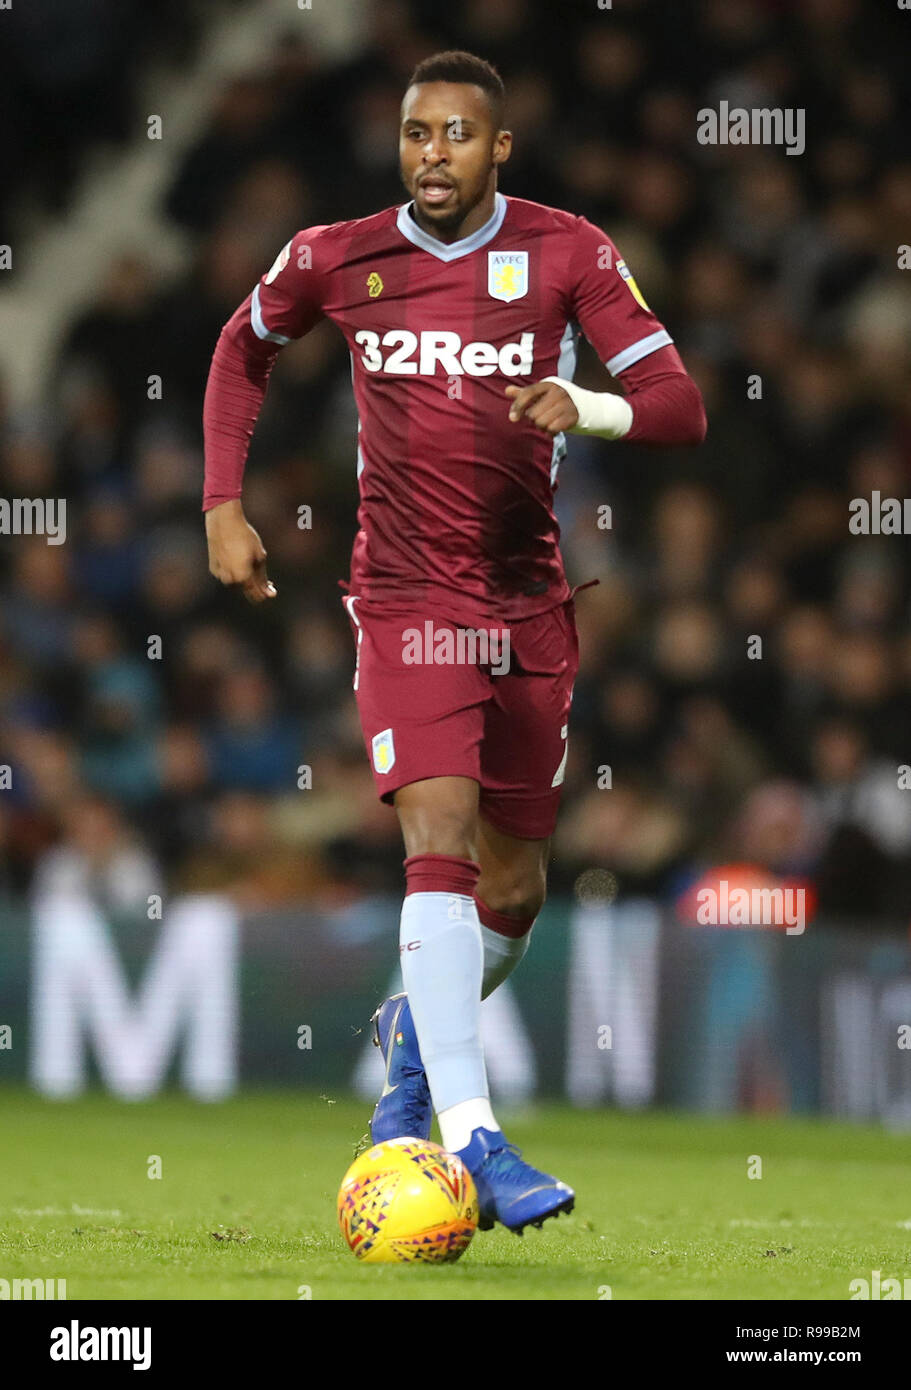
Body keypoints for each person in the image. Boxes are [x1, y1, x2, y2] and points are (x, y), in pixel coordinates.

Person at [202, 50, 706, 1234]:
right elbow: (241, 347)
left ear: (499, 149)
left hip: (530, 607)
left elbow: (680, 405)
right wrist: (224, 501)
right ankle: (477, 1140)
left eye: (457, 136)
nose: (433, 154)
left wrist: (582, 403)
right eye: (416, 133)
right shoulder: (335, 255)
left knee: (516, 889)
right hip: (404, 596)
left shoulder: (569, 252)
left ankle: (407, 1042)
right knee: (435, 837)